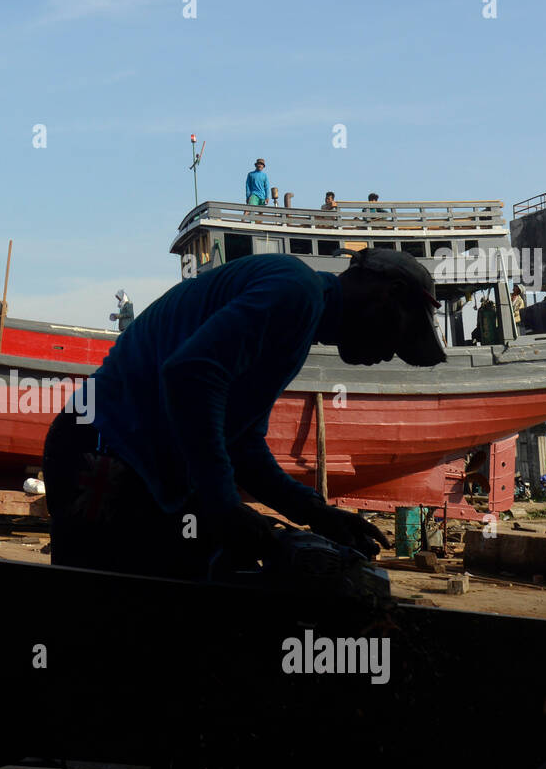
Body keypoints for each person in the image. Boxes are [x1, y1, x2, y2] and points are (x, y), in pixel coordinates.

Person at [43, 248, 448, 581]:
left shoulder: (296, 315)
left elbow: (242, 446)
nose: (387, 355)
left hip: (116, 455)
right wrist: (222, 506)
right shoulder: (296, 292)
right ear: (388, 295)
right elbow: (190, 375)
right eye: (398, 338)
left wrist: (315, 512)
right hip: (100, 454)